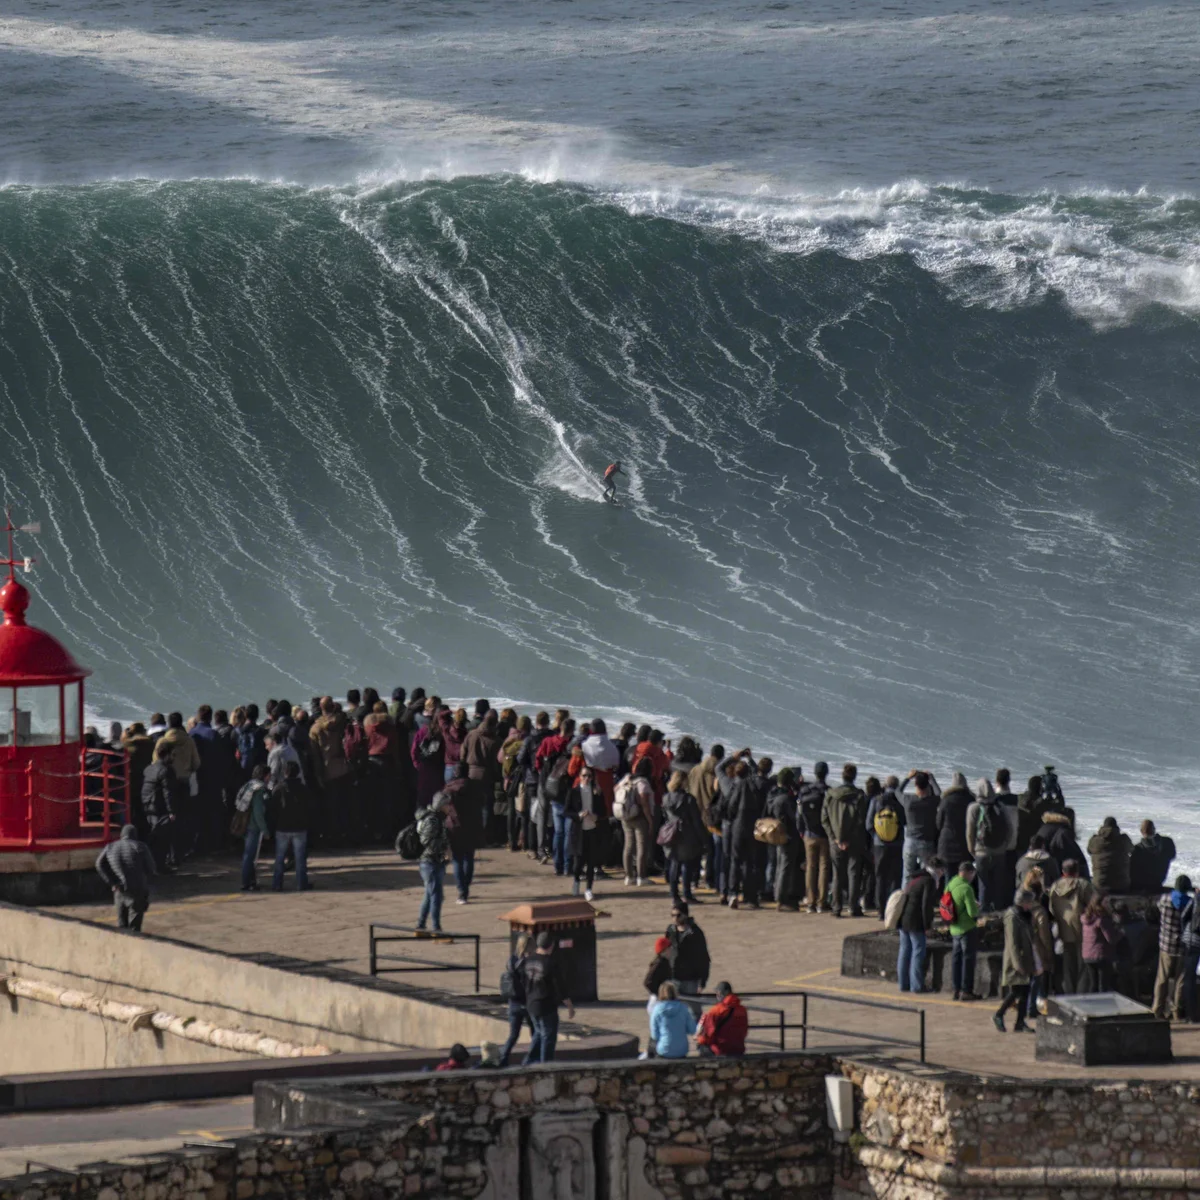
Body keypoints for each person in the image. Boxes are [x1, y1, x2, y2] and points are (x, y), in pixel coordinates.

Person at [521, 932, 574, 1064]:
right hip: (546, 1005)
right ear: (551, 946)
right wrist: (569, 1006)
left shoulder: (527, 960)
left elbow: (522, 981)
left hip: (531, 1004)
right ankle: (546, 1066)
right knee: (548, 1037)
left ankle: (528, 1061)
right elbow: (560, 986)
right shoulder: (550, 963)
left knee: (538, 1033)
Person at [822, 764, 867, 918]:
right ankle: (853, 907)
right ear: (854, 777)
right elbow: (861, 821)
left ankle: (836, 908)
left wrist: (834, 837)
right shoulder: (859, 795)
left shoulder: (830, 794)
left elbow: (824, 819)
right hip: (853, 841)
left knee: (837, 875)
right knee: (853, 874)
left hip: (835, 840)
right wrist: (847, 839)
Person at [95, 825, 156, 932]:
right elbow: (151, 868)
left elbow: (99, 864)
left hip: (119, 891)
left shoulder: (110, 847)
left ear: (122, 835)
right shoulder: (140, 846)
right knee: (135, 927)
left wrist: (113, 882)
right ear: (135, 835)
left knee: (121, 925)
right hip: (137, 889)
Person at [311, 697, 354, 844]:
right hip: (343, 767)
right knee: (345, 803)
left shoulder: (315, 729)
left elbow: (316, 756)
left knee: (330, 806)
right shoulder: (341, 721)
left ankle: (332, 836)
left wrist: (318, 775)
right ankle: (346, 834)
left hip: (327, 769)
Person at [1048, 860, 1095, 994]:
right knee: (1082, 965)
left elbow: (1051, 909)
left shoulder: (1055, 886)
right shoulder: (1083, 885)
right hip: (1081, 929)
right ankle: (1081, 992)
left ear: (1063, 871)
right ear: (1077, 871)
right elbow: (1092, 906)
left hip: (1063, 929)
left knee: (1067, 965)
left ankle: (1068, 991)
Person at [897, 857, 942, 994]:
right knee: (918, 951)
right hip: (915, 922)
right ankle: (917, 986)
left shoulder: (914, 878)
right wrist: (927, 926)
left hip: (903, 919)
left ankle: (903, 984)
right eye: (942, 870)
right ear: (938, 869)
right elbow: (926, 906)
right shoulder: (928, 881)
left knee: (904, 950)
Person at [965, 779, 1011, 912]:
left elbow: (970, 832)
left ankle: (984, 914)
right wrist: (1004, 845)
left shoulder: (973, 807)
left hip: (981, 853)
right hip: (999, 852)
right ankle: (999, 913)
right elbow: (1010, 829)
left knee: (983, 884)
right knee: (998, 885)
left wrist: (972, 851)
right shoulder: (1001, 806)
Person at [993, 890, 1036, 1032]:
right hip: (1016, 960)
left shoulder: (1024, 916)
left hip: (1025, 958)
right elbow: (1013, 943)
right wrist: (1018, 965)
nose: (1031, 905)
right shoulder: (1012, 916)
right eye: (1029, 902)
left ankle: (1020, 1022)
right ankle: (999, 1014)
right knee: (1017, 990)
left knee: (1024, 991)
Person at [866, 775, 905, 920]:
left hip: (879, 845)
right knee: (895, 878)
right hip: (897, 845)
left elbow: (869, 824)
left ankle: (881, 912)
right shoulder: (900, 801)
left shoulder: (876, 800)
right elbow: (904, 822)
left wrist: (878, 837)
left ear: (885, 785)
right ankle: (893, 911)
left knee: (880, 878)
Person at [1153, 875, 1191, 1020]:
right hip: (1182, 947)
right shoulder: (1190, 903)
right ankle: (1176, 1011)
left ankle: (1157, 1009)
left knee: (1162, 978)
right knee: (1180, 980)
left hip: (1166, 945)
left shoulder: (1164, 899)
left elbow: (1157, 907)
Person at [269, 761, 312, 892]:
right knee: (300, 858)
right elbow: (310, 808)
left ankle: (277, 884)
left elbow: (273, 809)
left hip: (282, 827)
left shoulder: (278, 788)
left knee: (280, 857)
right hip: (299, 827)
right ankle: (301, 883)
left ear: (285, 772)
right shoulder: (304, 789)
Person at [688, 743, 723, 891]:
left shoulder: (695, 769)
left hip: (695, 812)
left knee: (695, 848)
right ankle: (710, 880)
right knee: (711, 850)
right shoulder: (718, 773)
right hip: (710, 815)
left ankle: (693, 880)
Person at [568, 765, 606, 900]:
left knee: (591, 861)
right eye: (584, 776)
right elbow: (567, 811)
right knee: (578, 861)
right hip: (579, 831)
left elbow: (603, 811)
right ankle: (576, 881)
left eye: (589, 776)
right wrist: (578, 815)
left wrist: (597, 816)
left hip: (592, 829)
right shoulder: (574, 792)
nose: (587, 779)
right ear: (579, 777)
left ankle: (589, 888)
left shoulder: (596, 792)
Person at [767, 768, 802, 911]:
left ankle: (778, 895)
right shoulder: (787, 799)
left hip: (775, 834)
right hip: (787, 834)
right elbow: (795, 817)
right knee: (785, 868)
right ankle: (782, 899)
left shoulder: (772, 795)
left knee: (779, 866)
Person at [416, 792, 450, 935]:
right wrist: (444, 847)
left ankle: (420, 926)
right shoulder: (432, 819)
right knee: (436, 895)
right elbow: (426, 841)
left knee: (430, 895)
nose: (449, 807)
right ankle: (436, 929)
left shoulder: (439, 818)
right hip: (429, 862)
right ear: (441, 805)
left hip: (436, 861)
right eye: (447, 804)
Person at [140, 742, 178, 872]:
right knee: (162, 839)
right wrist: (171, 811)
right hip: (159, 807)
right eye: (172, 754)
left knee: (153, 836)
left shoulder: (149, 769)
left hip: (148, 806)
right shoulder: (166, 770)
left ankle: (150, 865)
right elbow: (168, 793)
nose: (174, 757)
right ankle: (159, 866)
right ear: (166, 755)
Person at [947, 861, 980, 1001]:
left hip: (954, 928)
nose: (973, 877)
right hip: (966, 928)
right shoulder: (967, 888)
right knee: (968, 960)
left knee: (956, 959)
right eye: (972, 874)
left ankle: (955, 989)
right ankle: (966, 991)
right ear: (968, 872)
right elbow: (972, 912)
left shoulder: (951, 883)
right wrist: (978, 906)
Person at [618, 758, 654, 886]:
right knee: (641, 848)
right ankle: (641, 877)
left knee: (628, 846)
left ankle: (629, 876)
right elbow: (644, 802)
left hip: (626, 816)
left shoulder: (627, 778)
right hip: (640, 817)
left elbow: (615, 789)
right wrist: (650, 819)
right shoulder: (643, 782)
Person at [898, 770, 940, 881]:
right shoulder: (932, 801)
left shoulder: (908, 800)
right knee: (926, 875)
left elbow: (897, 791)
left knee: (907, 875)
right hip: (926, 842)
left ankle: (905, 897)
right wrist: (931, 777)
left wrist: (908, 778)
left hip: (910, 841)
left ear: (915, 784)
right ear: (927, 785)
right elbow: (939, 793)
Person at [798, 764, 830, 913]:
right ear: (826, 773)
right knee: (823, 868)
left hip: (809, 834)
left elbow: (799, 813)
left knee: (810, 868)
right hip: (824, 834)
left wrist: (801, 830)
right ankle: (821, 903)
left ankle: (810, 902)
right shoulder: (828, 791)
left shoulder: (806, 790)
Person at [236, 765, 272, 892]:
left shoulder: (249, 785)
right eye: (269, 775)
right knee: (250, 856)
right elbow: (258, 812)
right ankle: (247, 882)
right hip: (253, 827)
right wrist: (265, 830)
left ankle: (251, 881)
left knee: (249, 855)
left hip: (245, 824)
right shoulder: (260, 790)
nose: (270, 778)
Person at [499, 934, 531, 1067]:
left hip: (513, 1004)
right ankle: (530, 1060)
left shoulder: (511, 960)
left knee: (513, 1036)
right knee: (536, 1033)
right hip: (527, 1003)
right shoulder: (528, 962)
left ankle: (502, 1059)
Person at [665, 902, 710, 997]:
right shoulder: (670, 930)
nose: (675, 918)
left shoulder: (695, 933)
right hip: (673, 977)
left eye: (678, 915)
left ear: (685, 915)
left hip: (690, 979)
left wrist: (703, 981)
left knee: (692, 1009)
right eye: (672, 915)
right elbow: (665, 952)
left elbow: (704, 958)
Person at [696, 981, 749, 1057]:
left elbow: (707, 1036)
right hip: (739, 1049)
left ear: (720, 993)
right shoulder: (742, 1010)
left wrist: (698, 1038)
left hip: (721, 1050)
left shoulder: (716, 1011)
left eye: (717, 993)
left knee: (701, 1045)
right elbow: (744, 1032)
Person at [1081, 894, 1121, 992]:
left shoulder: (1086, 918)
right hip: (1100, 955)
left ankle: (1091, 1004)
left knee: (1093, 984)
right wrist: (1120, 933)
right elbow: (1111, 939)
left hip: (1087, 955)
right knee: (1103, 985)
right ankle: (1103, 1005)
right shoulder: (1102, 919)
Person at [935, 772, 973, 872]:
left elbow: (938, 823)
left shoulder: (946, 800)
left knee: (948, 879)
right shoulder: (971, 799)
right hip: (965, 845)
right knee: (964, 878)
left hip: (946, 845)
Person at [1037, 810, 1090, 881]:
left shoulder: (1043, 828)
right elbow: (1074, 856)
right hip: (1056, 874)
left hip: (1040, 870)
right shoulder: (1062, 832)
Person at [649, 982, 696, 1059]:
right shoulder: (684, 1008)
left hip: (664, 1049)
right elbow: (692, 1030)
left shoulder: (657, 1009)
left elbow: (654, 1035)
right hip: (682, 1050)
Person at [1130, 820, 1178, 894]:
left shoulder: (1138, 849)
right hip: (1159, 880)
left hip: (1142, 884)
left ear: (1141, 832)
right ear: (1154, 829)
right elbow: (1173, 856)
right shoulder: (1167, 842)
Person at [1088, 817, 1133, 894]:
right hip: (1122, 886)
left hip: (1100, 886)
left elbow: (1089, 851)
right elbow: (1132, 850)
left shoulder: (1095, 841)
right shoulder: (1124, 840)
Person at [1180, 888, 1200, 1023]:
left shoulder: (1195, 899)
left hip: (1191, 941)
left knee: (1189, 979)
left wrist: (1185, 933)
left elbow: (1183, 916)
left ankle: (1191, 1014)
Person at [644, 935, 675, 1018]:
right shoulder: (659, 964)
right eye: (670, 947)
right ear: (664, 950)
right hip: (657, 1002)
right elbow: (647, 982)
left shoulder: (664, 962)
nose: (672, 950)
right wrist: (660, 994)